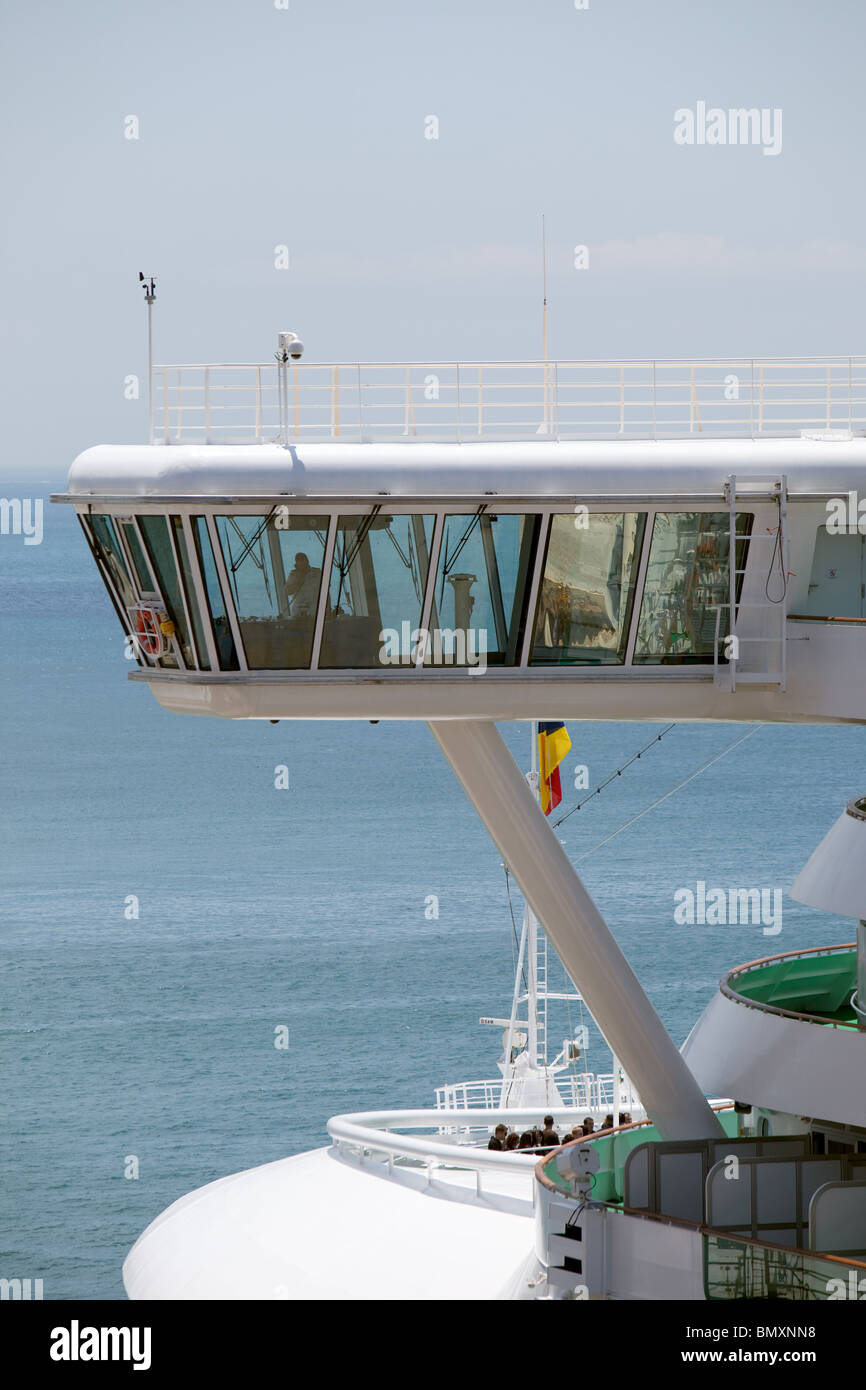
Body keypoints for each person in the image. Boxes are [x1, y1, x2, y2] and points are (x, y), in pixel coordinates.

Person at [283, 552, 321, 618]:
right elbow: (287, 592)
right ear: (296, 563)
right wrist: (298, 582)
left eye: (303, 560)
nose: (302, 562)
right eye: (299, 560)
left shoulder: (317, 573)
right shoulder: (293, 575)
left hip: (314, 611)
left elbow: (326, 591)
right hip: (298, 612)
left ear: (307, 561)